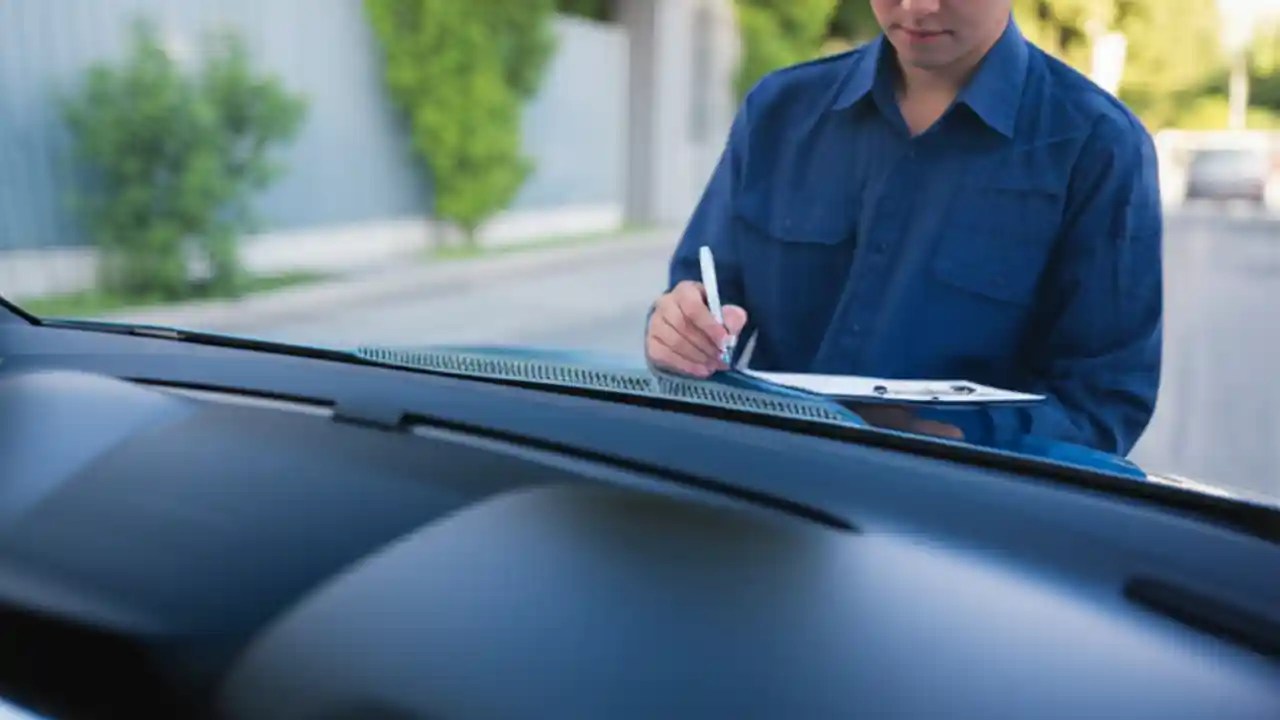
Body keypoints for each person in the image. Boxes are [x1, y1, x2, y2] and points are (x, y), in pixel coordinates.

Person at [644, 0, 1163, 456]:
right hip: (769, 496)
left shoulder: (1098, 148)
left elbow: (1103, 404)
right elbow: (699, 299)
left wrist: (944, 436)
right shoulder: (778, 112)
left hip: (960, 526)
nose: (916, 6)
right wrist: (677, 333)